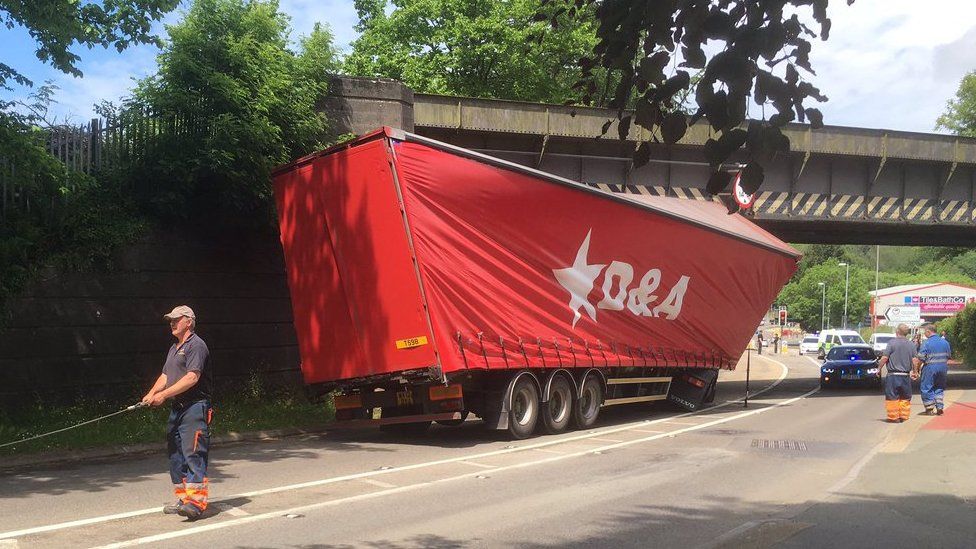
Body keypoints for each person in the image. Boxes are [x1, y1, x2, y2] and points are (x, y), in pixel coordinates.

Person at [142, 305, 214, 520]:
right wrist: (152, 392)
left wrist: (163, 396)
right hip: (179, 408)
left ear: (189, 322)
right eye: (170, 320)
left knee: (193, 452)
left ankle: (196, 502)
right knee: (176, 454)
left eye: (176, 319)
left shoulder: (196, 346)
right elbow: (166, 375)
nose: (172, 323)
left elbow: (192, 377)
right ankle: (183, 499)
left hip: (195, 407)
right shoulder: (174, 348)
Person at [877, 324, 916, 423]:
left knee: (892, 397)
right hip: (905, 376)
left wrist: (879, 368)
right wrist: (915, 371)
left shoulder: (892, 343)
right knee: (905, 397)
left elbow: (885, 358)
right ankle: (903, 416)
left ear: (897, 331)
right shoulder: (911, 344)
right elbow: (915, 360)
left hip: (893, 376)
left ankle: (894, 417)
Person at [915, 323, 951, 416]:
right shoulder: (945, 342)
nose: (924, 334)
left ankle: (929, 408)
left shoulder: (926, 343)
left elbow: (920, 358)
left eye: (925, 332)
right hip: (943, 367)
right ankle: (939, 407)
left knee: (927, 387)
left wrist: (917, 370)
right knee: (939, 387)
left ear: (928, 331)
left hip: (930, 367)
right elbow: (948, 356)